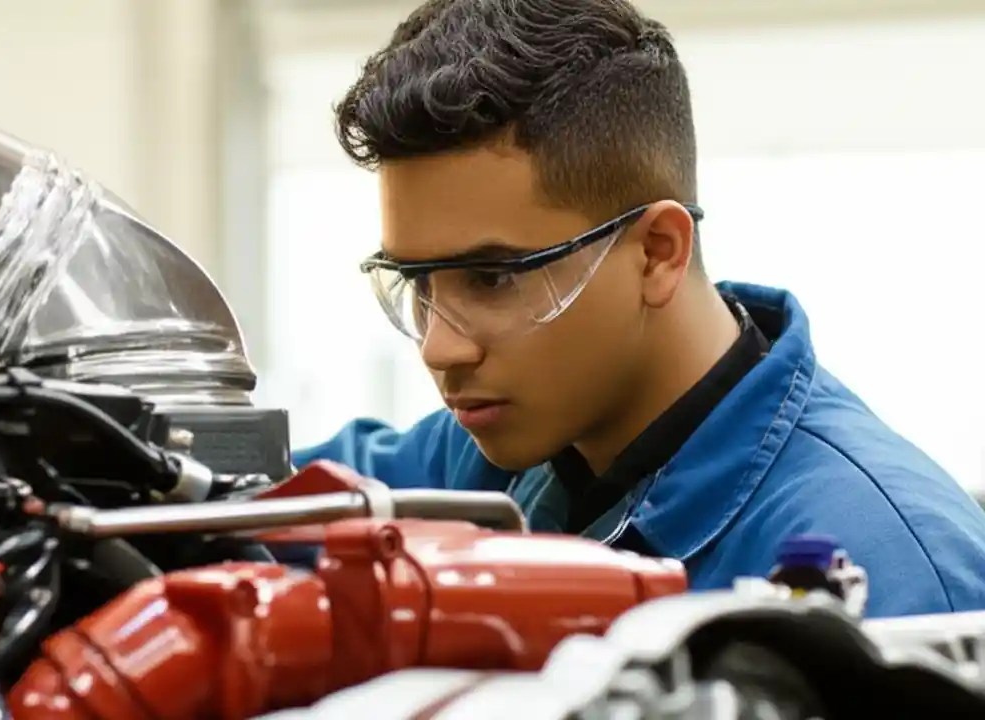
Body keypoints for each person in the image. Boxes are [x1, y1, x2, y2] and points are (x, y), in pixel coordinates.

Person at [291, 0, 985, 618]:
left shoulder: (890, 571)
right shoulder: (484, 463)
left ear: (657, 251)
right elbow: (244, 497)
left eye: (493, 277)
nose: (438, 349)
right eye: (416, 281)